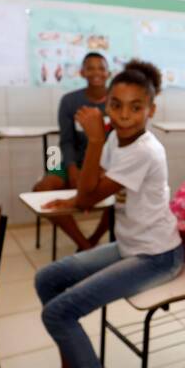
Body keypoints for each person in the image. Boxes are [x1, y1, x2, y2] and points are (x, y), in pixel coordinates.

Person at [13, 61, 184, 368]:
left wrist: (91, 144)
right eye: (117, 105)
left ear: (151, 111)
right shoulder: (114, 139)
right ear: (106, 103)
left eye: (135, 107)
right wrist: (73, 200)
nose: (124, 115)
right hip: (129, 244)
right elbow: (97, 194)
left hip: (157, 256)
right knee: (47, 278)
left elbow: (91, 196)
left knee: (59, 312)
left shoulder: (143, 148)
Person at [32, 51, 111, 251]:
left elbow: (118, 143)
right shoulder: (69, 101)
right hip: (71, 161)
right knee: (42, 189)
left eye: (101, 68)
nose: (96, 72)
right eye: (90, 68)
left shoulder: (116, 102)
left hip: (107, 164)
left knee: (124, 192)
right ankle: (84, 246)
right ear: (82, 73)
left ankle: (94, 239)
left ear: (108, 73)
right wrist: (72, 168)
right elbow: (65, 141)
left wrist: (100, 168)